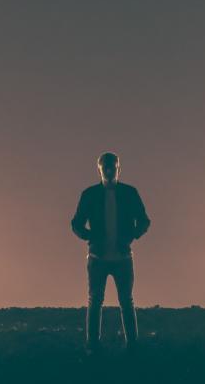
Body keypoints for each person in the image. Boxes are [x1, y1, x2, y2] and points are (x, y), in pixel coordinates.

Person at [70, 151, 151, 353]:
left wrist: (131, 236)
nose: (108, 170)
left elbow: (144, 221)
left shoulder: (129, 193)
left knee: (124, 300)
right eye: (105, 167)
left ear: (118, 168)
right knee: (96, 300)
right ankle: (93, 345)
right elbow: (76, 224)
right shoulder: (89, 195)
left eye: (112, 167)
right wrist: (90, 237)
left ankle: (131, 345)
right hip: (98, 258)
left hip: (122, 257)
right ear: (99, 169)